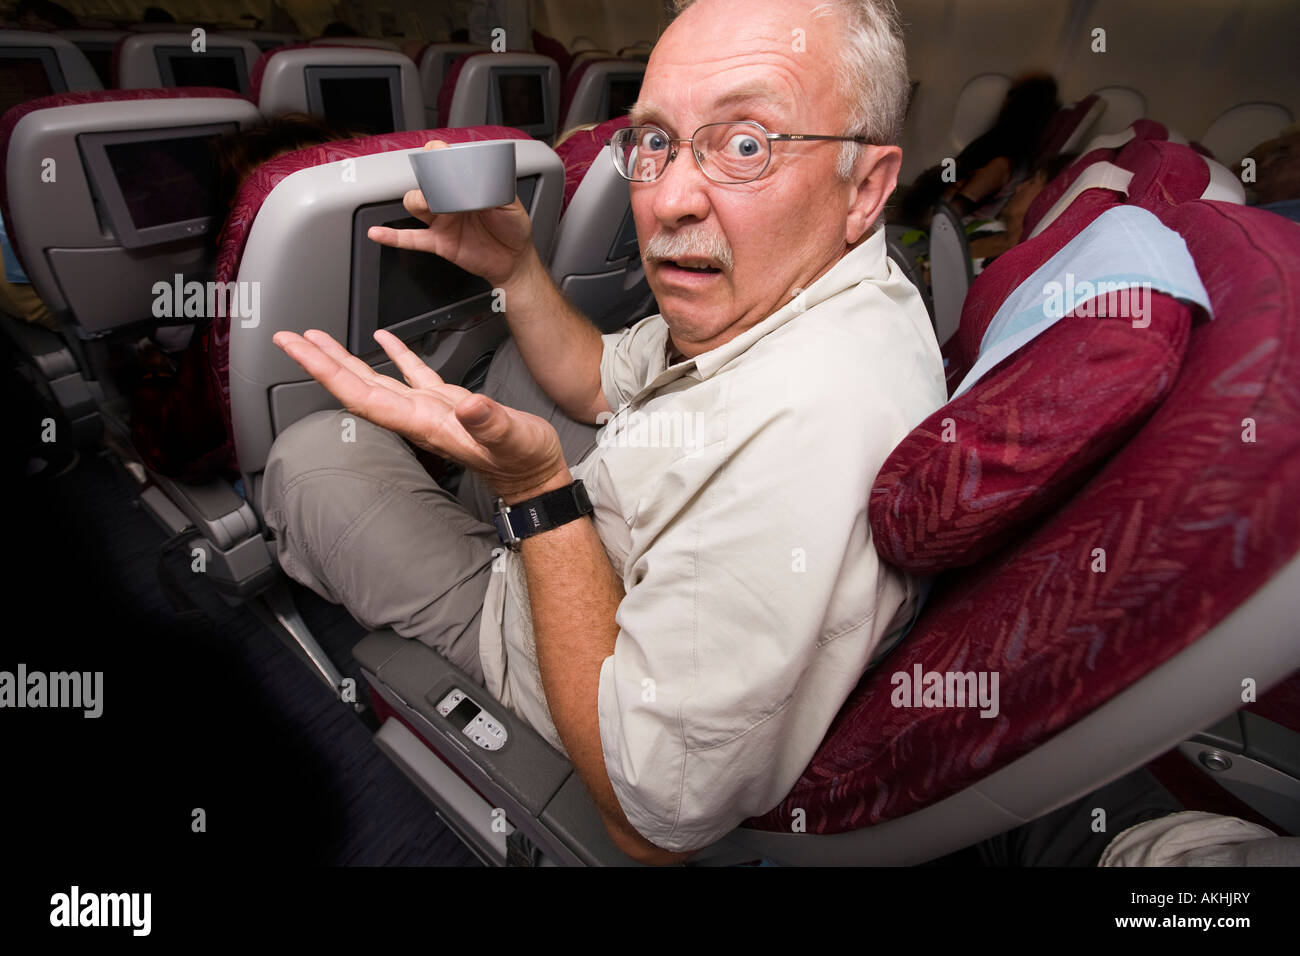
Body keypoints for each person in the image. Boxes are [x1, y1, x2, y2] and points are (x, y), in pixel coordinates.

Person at [263, 0, 945, 863]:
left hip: (563, 662)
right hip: (619, 553)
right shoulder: (819, 292)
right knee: (515, 370)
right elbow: (597, 377)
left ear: (868, 186)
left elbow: (647, 822)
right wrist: (516, 269)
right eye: (655, 141)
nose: (667, 199)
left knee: (316, 453)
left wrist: (537, 494)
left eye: (745, 144)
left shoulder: (802, 438)